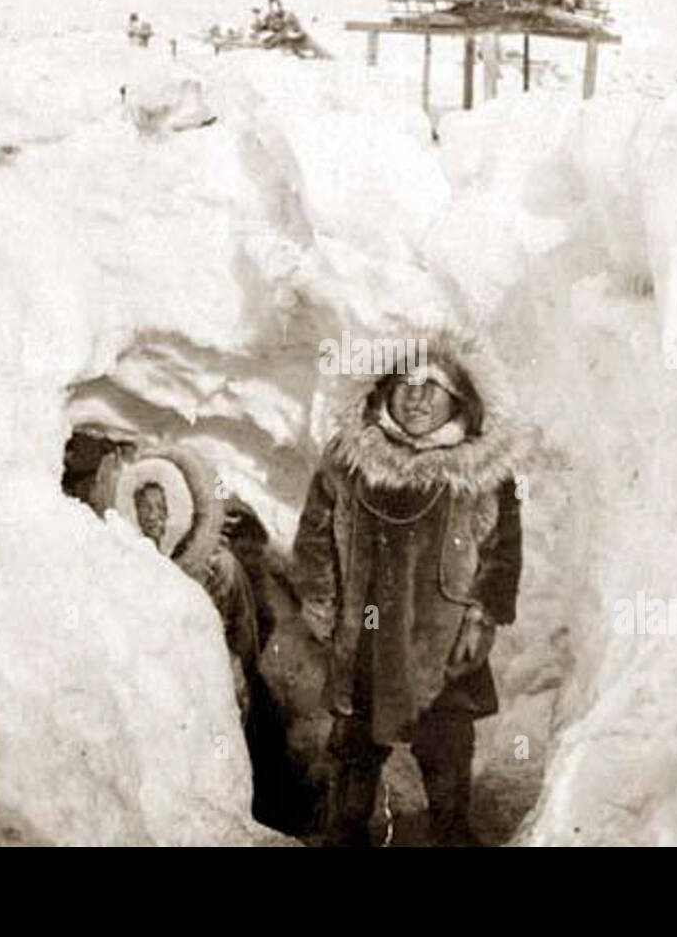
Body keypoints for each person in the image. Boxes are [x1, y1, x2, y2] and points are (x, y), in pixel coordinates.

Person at [292, 329, 524, 847]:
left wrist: (481, 616)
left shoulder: (480, 474)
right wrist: (320, 596)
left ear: (459, 400)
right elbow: (314, 533)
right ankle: (346, 827)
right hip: (367, 630)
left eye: (433, 386)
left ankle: (450, 826)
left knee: (447, 738)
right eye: (407, 384)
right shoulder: (352, 462)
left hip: (442, 638)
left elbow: (501, 551)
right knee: (354, 741)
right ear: (385, 391)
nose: (417, 397)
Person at [88, 442, 260, 717]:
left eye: (160, 507)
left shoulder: (214, 567)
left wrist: (236, 670)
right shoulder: (124, 562)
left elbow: (239, 635)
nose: (153, 517)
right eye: (145, 508)